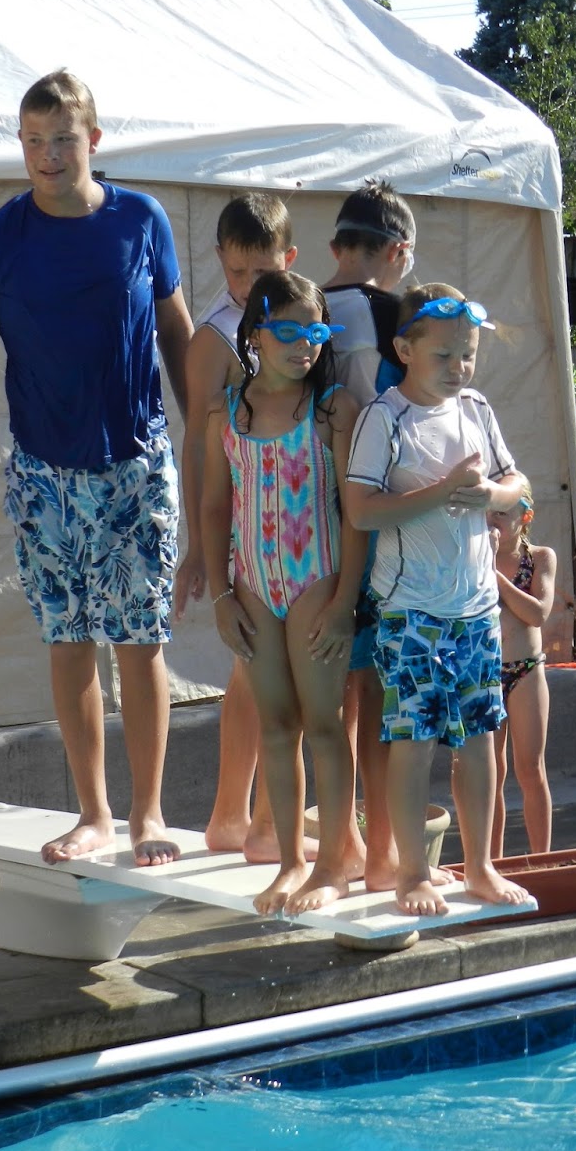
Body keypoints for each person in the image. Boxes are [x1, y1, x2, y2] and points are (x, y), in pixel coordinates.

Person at [0, 70, 193, 867]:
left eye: (63, 139)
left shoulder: (140, 220)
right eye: (33, 141)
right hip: (42, 471)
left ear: (94, 139)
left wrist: (206, 436)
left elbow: (179, 337)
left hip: (135, 462)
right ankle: (94, 813)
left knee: (141, 638)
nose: (48, 156)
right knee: (69, 638)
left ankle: (150, 813)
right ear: (20, 146)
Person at [344, 282, 533, 917]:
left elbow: (518, 482)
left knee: (480, 740)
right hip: (411, 609)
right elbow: (361, 509)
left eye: (468, 355)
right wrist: (446, 491)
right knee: (415, 741)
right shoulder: (385, 417)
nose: (459, 369)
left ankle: (478, 866)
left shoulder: (476, 408)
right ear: (405, 348)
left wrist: (494, 499)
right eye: (444, 356)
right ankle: (412, 874)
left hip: (475, 607)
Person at [201, 270, 366, 915]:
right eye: (290, 331)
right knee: (276, 725)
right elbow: (215, 507)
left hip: (315, 580)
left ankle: (332, 864)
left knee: (324, 725)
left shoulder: (331, 412)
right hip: (252, 585)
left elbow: (354, 516)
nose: (306, 346)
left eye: (317, 332)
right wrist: (221, 596)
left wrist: (345, 602)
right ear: (254, 335)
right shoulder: (227, 410)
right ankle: (292, 860)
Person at [173, 194, 301, 861]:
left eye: (260, 273)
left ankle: (248, 815)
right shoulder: (215, 337)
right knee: (260, 662)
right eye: (235, 273)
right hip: (250, 521)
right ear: (220, 261)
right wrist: (202, 545)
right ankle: (245, 817)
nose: (246, 287)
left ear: (289, 261)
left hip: (300, 521)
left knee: (272, 665)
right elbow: (197, 444)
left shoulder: (303, 330)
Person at [321, 180, 418, 892]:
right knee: (380, 699)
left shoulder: (293, 306)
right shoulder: (391, 318)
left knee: (321, 707)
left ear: (335, 248)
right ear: (398, 252)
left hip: (297, 533)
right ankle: (383, 853)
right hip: (379, 531)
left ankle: (331, 843)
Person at [487, 480, 557, 857]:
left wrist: (496, 577)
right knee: (490, 775)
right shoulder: (475, 555)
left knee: (530, 770)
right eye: (490, 510)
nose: (493, 519)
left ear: (524, 516)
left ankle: (542, 858)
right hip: (487, 671)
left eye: (502, 511)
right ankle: (492, 863)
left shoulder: (540, 557)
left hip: (527, 669)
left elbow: (537, 613)